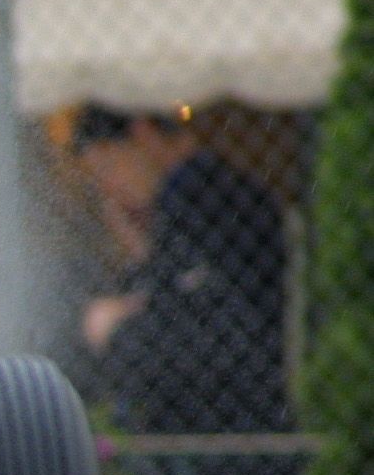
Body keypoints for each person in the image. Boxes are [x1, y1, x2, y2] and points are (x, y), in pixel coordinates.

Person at [70, 102, 290, 434]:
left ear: (143, 135)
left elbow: (203, 320)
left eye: (107, 166)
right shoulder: (205, 194)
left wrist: (117, 329)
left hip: (226, 425)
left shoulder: (198, 197)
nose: (110, 188)